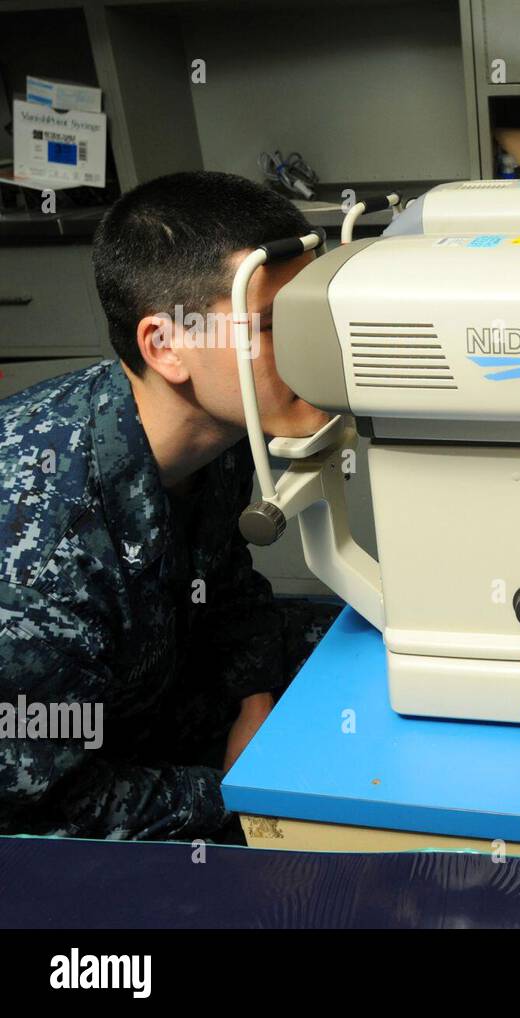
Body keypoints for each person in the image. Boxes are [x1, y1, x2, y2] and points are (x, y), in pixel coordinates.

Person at [0, 171, 339, 841]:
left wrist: (255, 701)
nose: (311, 348)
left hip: (152, 689)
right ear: (166, 346)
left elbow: (226, 584)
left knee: (355, 652)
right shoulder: (39, 548)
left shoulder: (221, 422)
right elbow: (56, 804)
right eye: (272, 326)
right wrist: (256, 791)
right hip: (52, 789)